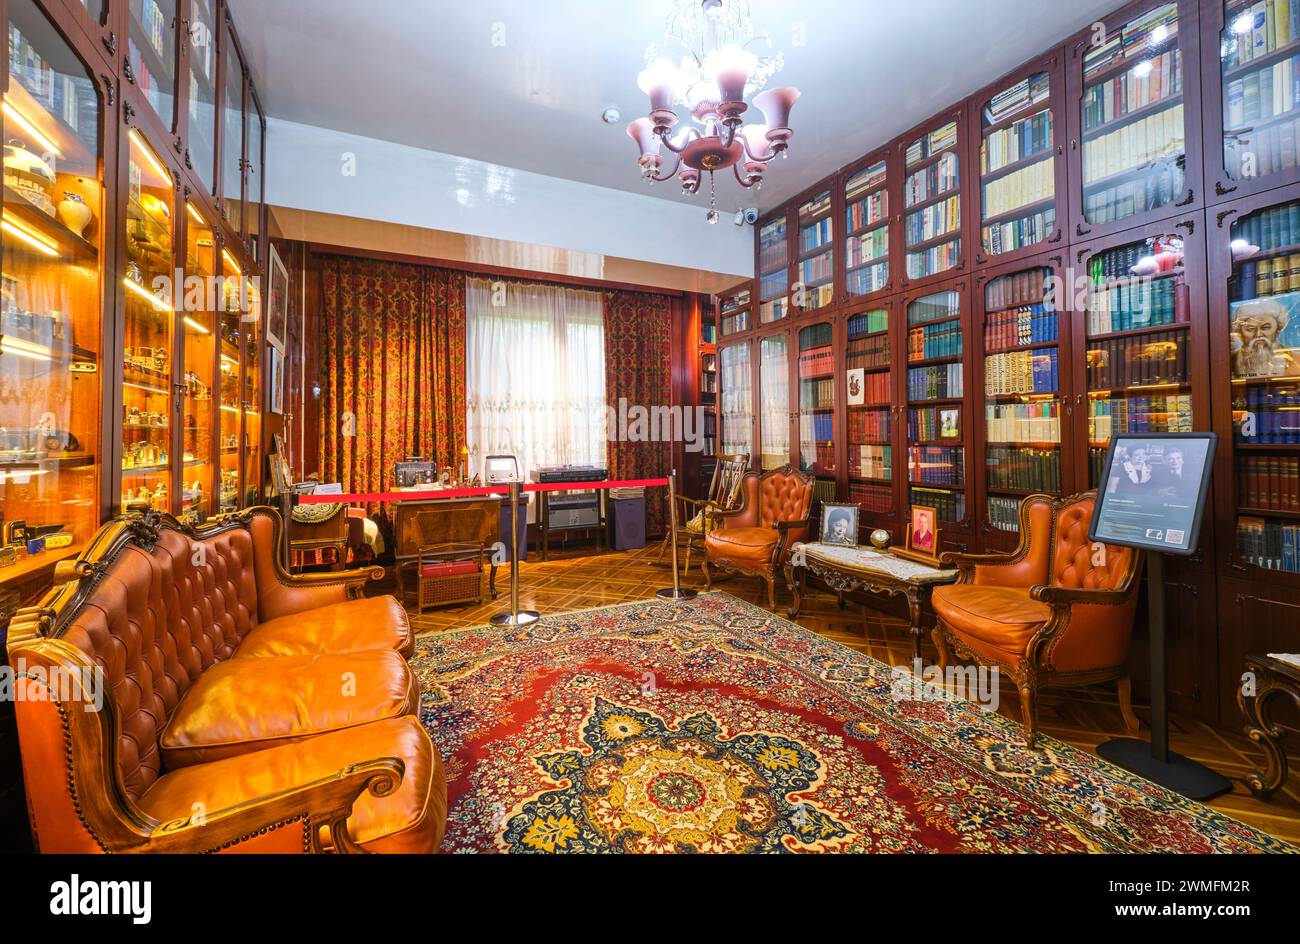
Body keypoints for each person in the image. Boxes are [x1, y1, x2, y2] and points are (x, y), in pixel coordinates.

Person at [1231, 299, 1298, 379]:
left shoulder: (1296, 360)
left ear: (1278, 329)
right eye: (1250, 329)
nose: (1258, 334)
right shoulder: (1230, 362)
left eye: (1266, 328)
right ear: (1240, 332)